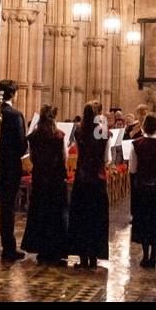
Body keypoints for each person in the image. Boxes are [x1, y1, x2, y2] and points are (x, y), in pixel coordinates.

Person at [22, 104, 69, 264]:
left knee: (40, 213)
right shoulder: (59, 136)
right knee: (55, 214)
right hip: (56, 180)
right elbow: (64, 158)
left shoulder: (33, 136)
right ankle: (55, 251)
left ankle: (41, 249)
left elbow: (33, 158)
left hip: (40, 178)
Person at [67, 100, 109, 268]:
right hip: (97, 179)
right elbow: (106, 158)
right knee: (96, 218)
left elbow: (79, 153)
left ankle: (83, 256)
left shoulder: (79, 130)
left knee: (81, 217)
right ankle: (94, 256)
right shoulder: (101, 130)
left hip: (82, 179)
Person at [128, 113, 156, 268]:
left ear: (144, 126)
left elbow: (132, 169)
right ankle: (154, 255)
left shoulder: (137, 144)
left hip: (142, 189)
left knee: (143, 221)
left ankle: (145, 255)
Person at [0, 80, 28, 262]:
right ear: (14, 94)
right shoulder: (15, 115)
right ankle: (9, 248)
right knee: (7, 209)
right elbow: (21, 146)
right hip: (10, 168)